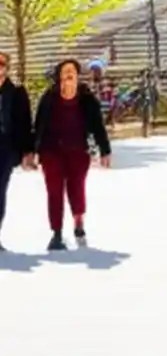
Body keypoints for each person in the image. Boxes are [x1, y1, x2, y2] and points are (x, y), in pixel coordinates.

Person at [33, 59, 111, 251]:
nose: (69, 75)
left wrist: (105, 150)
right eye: (65, 72)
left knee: (76, 188)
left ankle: (78, 222)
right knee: (54, 192)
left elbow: (98, 126)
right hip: (51, 151)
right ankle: (57, 233)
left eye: (72, 72)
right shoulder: (49, 97)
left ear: (77, 76)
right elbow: (38, 125)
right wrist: (33, 151)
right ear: (59, 76)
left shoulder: (86, 98)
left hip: (78, 151)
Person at [0, 52, 34, 251]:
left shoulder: (17, 93)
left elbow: (25, 123)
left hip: (5, 148)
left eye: (2, 64)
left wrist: (27, 151)